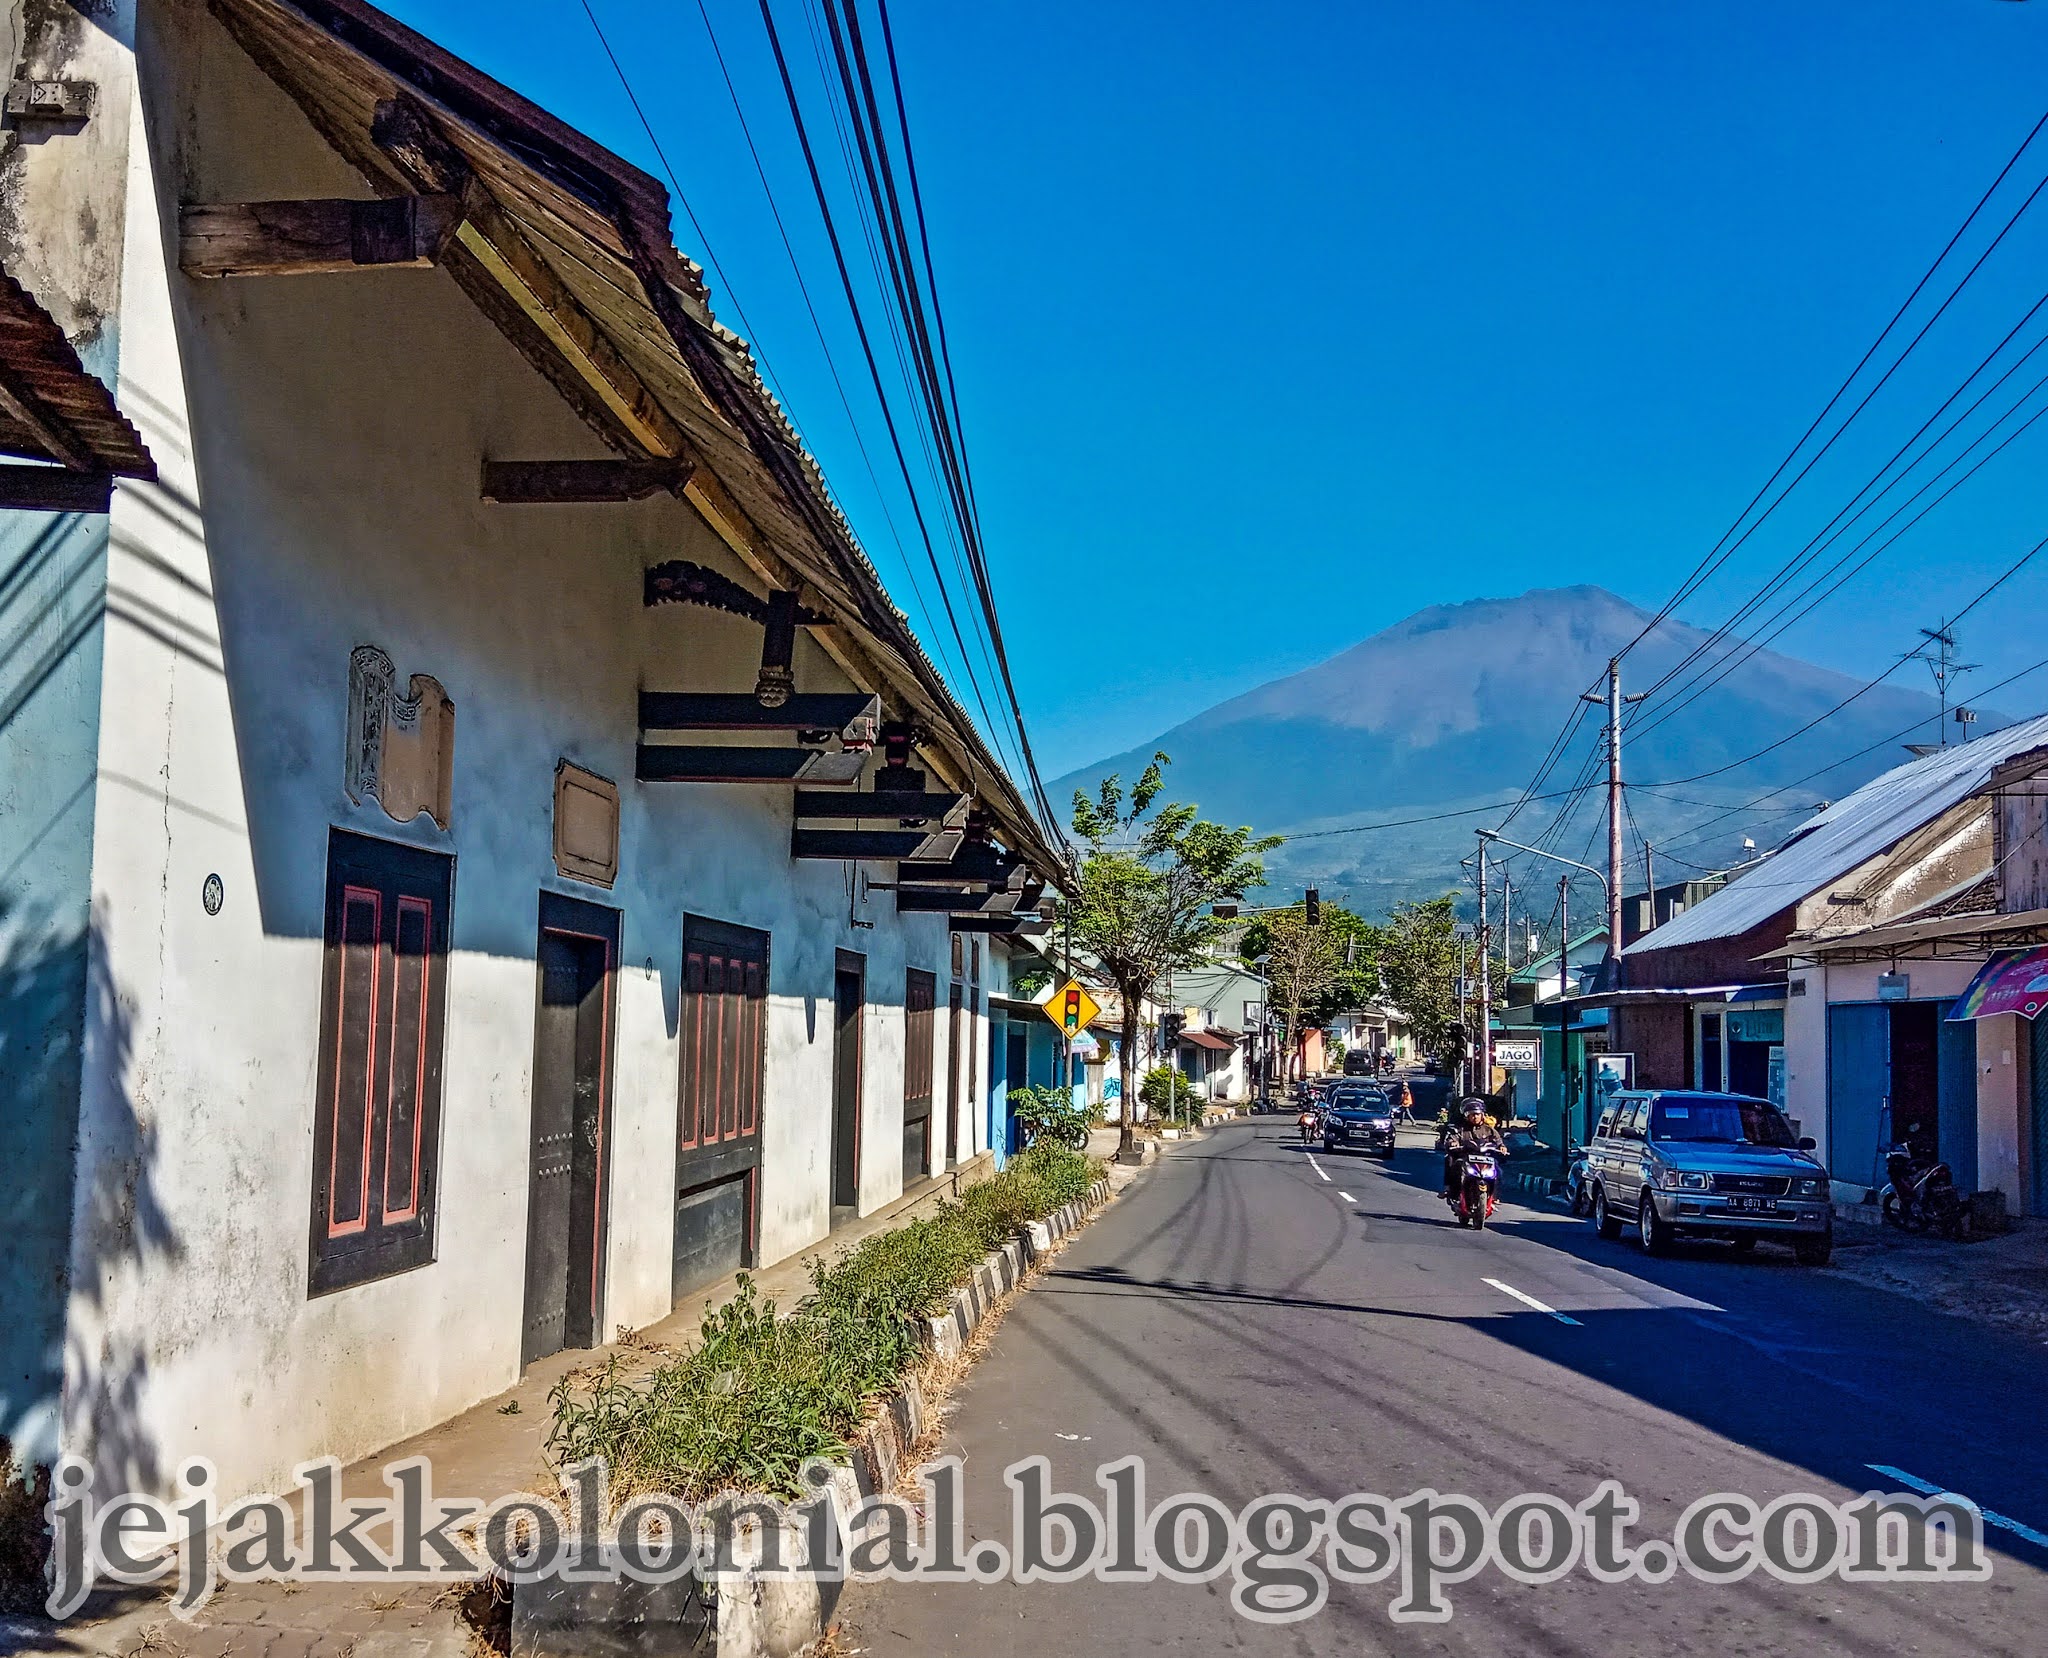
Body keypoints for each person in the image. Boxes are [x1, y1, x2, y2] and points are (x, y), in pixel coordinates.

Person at [1442, 1098, 1505, 1196]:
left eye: (1477, 1114)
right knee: (1454, 1165)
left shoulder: (1489, 1130)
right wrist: (1453, 1143)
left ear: (1482, 1115)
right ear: (1467, 1116)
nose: (1475, 1117)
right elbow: (1452, 1138)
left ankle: (1494, 1196)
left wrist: (1502, 1147)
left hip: (1485, 1159)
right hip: (1466, 1158)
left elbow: (1498, 1141)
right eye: (1472, 1115)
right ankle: (1451, 1191)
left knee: (1498, 1172)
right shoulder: (1460, 1129)